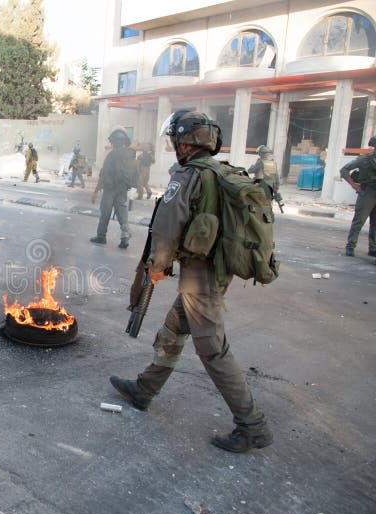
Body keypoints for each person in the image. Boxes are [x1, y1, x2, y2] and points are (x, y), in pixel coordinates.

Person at [109, 110, 273, 454]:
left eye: (174, 138)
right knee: (173, 329)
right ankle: (144, 390)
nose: (172, 144)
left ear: (185, 141)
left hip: (201, 274)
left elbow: (167, 228)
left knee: (212, 348)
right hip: (217, 268)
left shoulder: (187, 175)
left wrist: (156, 267)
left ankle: (252, 425)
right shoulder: (221, 170)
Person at [90, 129, 136, 248]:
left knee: (105, 212)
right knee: (122, 213)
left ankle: (101, 236)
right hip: (123, 189)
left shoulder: (112, 154)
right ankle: (125, 237)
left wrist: (96, 191)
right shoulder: (130, 154)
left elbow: (103, 173)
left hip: (110, 188)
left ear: (114, 141)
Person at [341, 136, 376, 259]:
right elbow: (344, 170)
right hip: (367, 193)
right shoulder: (364, 160)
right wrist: (354, 186)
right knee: (359, 221)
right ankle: (350, 246)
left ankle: (373, 248)